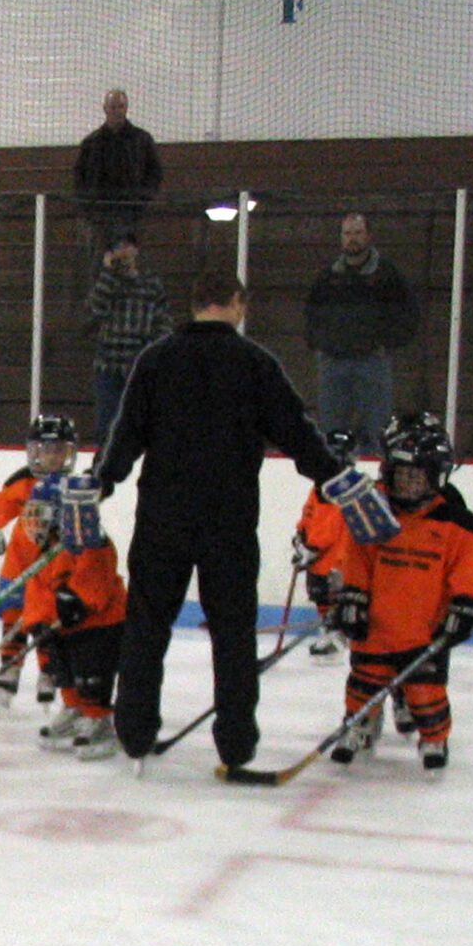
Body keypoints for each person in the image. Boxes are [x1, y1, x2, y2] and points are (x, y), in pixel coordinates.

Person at [95, 271, 345, 769]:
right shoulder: (255, 363)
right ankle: (235, 740)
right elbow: (296, 432)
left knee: (148, 625)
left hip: (163, 516)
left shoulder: (157, 359)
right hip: (227, 521)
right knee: (232, 633)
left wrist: (102, 481)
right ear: (237, 304)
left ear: (194, 303)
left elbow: (125, 435)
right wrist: (334, 477)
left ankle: (135, 731)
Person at [325, 420, 473, 772]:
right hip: (377, 626)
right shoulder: (377, 513)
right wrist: (353, 597)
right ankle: (359, 726)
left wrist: (465, 605)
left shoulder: (458, 523)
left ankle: (434, 737)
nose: (409, 485)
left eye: (418, 476)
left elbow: (466, 573)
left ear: (436, 477)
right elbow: (358, 559)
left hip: (422, 629)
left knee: (426, 692)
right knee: (363, 685)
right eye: (402, 475)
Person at [0, 414, 79, 707]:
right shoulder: (24, 484)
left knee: (47, 625)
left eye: (58, 451)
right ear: (34, 451)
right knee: (13, 620)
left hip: (53, 573)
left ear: (69, 453)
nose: (52, 458)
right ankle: (10, 667)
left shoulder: (77, 488)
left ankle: (48, 673)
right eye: (46, 450)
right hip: (18, 568)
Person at [20, 483, 127, 759]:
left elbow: (99, 575)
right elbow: (38, 596)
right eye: (32, 512)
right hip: (65, 627)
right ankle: (75, 709)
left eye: (41, 513)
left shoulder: (87, 542)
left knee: (91, 674)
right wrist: (39, 625)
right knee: (62, 668)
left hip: (99, 625)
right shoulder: (45, 552)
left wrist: (79, 600)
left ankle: (99, 718)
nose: (34, 521)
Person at [303, 214, 420, 458]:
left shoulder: (387, 275)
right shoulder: (329, 277)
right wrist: (320, 344)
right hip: (333, 363)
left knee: (376, 432)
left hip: (372, 363)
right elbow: (311, 314)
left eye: (357, 233)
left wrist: (386, 343)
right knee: (332, 432)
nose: (351, 239)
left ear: (368, 236)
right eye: (347, 233)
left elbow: (408, 314)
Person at [85, 233, 173, 451]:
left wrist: (151, 350)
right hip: (109, 363)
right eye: (118, 247)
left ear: (136, 250)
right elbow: (94, 310)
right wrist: (108, 274)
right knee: (107, 423)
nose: (123, 252)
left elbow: (164, 320)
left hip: (139, 363)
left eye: (127, 246)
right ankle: (106, 459)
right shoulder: (105, 282)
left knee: (142, 418)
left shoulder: (150, 283)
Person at [292, 429, 360, 662]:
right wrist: (300, 537)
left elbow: (328, 527)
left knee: (334, 594)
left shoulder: (343, 487)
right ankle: (330, 631)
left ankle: (338, 636)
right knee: (320, 594)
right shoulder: (320, 486)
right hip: (320, 558)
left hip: (337, 558)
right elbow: (309, 515)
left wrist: (310, 548)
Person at [73, 89, 162, 247]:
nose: (116, 111)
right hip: (99, 215)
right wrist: (87, 208)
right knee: (99, 262)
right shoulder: (91, 143)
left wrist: (144, 199)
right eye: (113, 107)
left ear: (126, 108)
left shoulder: (142, 140)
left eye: (120, 107)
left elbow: (155, 172)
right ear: (105, 109)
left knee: (130, 261)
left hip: (133, 213)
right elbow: (79, 177)